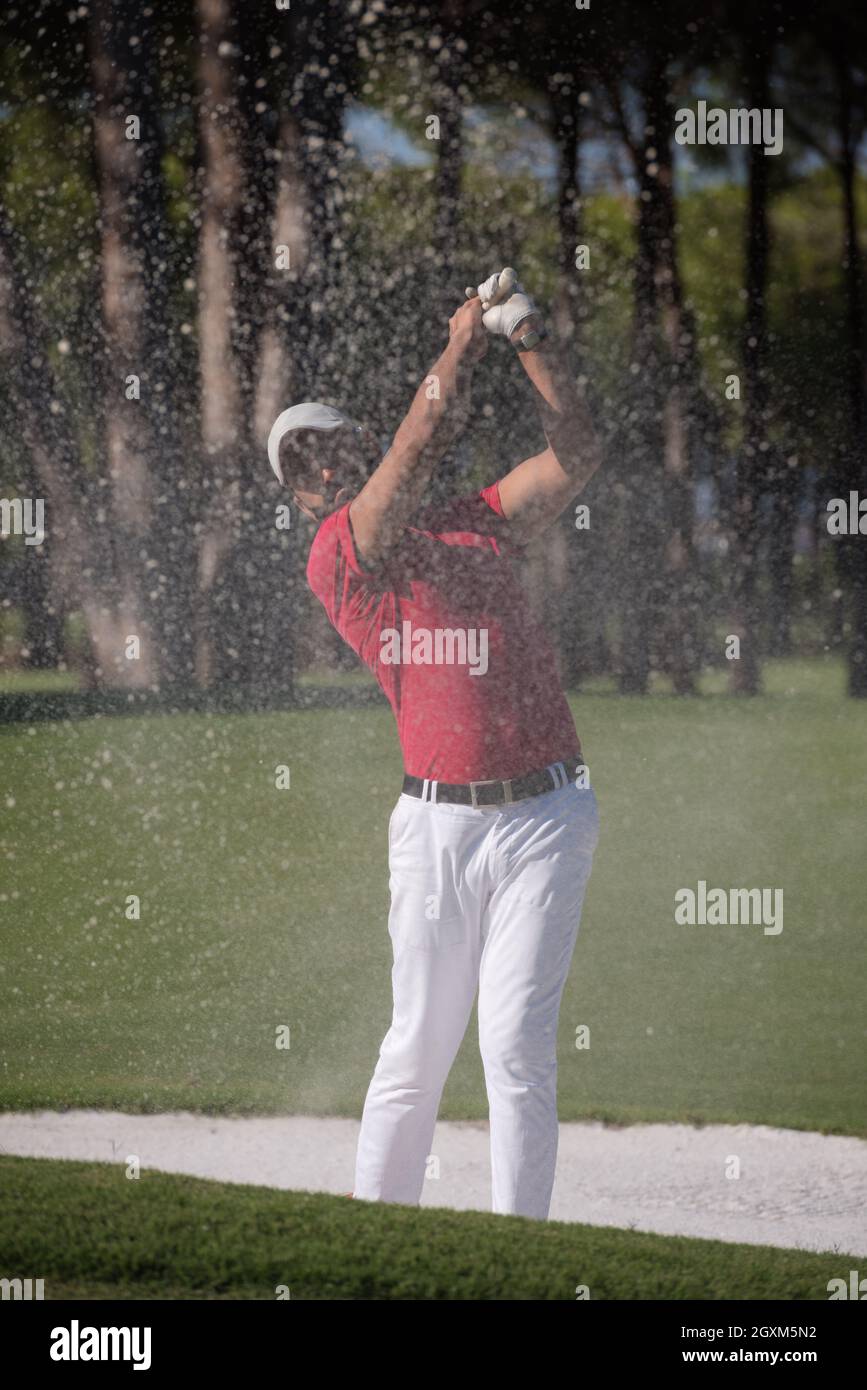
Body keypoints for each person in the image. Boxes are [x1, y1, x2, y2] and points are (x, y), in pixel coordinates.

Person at [267, 271, 603, 1220]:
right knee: (415, 1049)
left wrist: (525, 333)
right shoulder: (338, 550)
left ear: (356, 446)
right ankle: (382, 1243)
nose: (323, 468)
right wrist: (461, 342)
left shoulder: (475, 520)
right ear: (298, 497)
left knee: (512, 1047)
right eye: (303, 466)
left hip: (546, 814)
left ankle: (520, 1258)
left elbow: (578, 450)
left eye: (333, 448)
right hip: (433, 829)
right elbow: (416, 443)